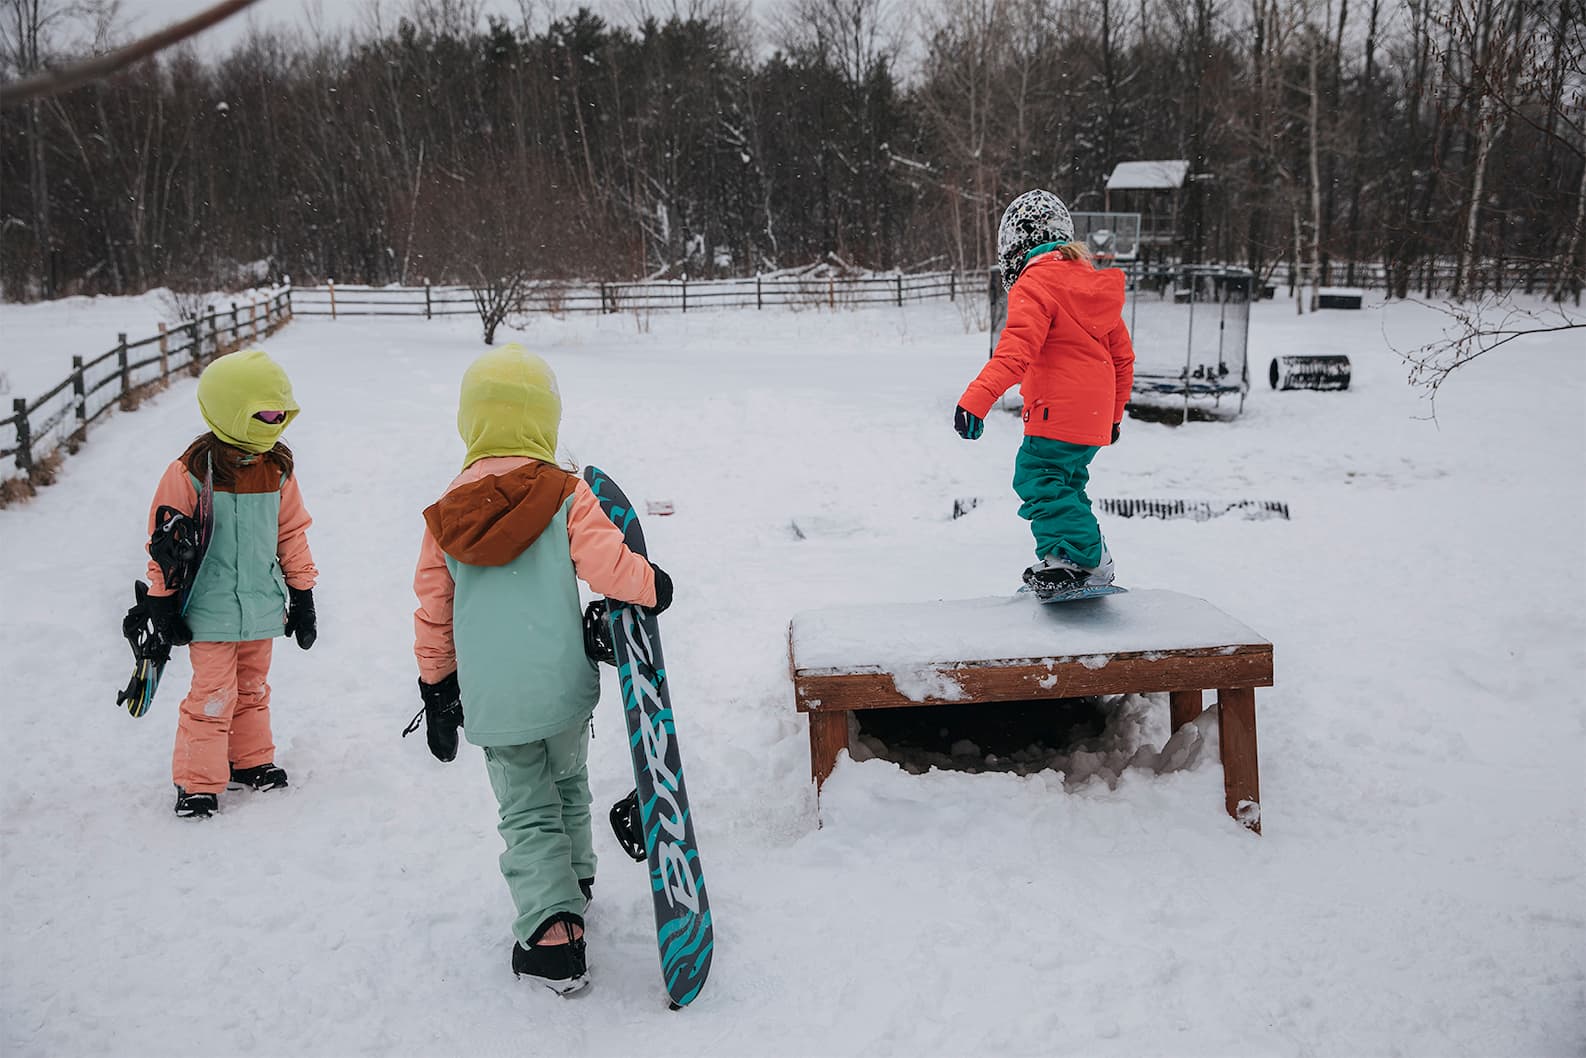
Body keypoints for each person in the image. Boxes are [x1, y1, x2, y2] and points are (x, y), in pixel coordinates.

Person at [409, 343, 672, 996]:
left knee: (525, 806)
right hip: (562, 684)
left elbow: (433, 612)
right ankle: (574, 882)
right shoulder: (564, 492)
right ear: (543, 420)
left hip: (495, 699)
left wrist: (438, 689)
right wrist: (653, 586)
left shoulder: (446, 516)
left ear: (472, 422)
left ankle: (553, 931)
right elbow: (608, 564)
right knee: (567, 783)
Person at [142, 349, 318, 818]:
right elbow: (163, 542)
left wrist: (303, 596)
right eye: (265, 413)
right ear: (231, 408)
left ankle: (251, 759)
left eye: (281, 413)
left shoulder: (277, 470)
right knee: (213, 693)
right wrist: (161, 602)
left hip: (261, 603)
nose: (275, 421)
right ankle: (197, 781)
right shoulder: (191, 472)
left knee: (253, 686)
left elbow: (291, 533)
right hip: (209, 606)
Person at [953, 189, 1135, 596]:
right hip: (1093, 414)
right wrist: (1114, 415)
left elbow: (1016, 350)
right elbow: (1123, 359)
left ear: (1014, 251)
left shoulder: (1035, 283)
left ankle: (1081, 559)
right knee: (1067, 482)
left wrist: (976, 401)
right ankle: (1074, 556)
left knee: (1038, 477)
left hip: (1058, 411)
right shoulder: (1091, 285)